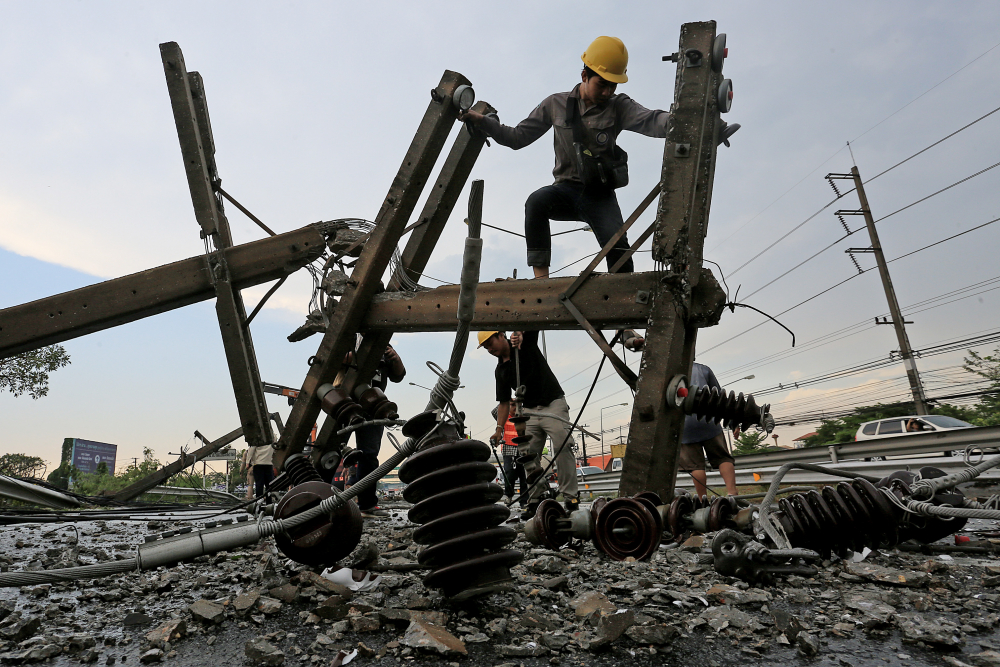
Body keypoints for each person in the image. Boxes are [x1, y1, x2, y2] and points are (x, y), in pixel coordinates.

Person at [458, 36, 668, 283]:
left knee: (618, 248)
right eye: (602, 84)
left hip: (600, 195)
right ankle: (541, 283)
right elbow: (517, 137)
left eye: (613, 85)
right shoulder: (555, 104)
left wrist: (690, 123)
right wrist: (483, 122)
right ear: (584, 76)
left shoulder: (618, 106)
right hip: (565, 191)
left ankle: (626, 320)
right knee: (536, 202)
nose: (608, 91)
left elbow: (653, 120)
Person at [480, 330, 578, 519]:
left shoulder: (525, 345)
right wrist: (498, 430)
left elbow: (533, 325)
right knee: (528, 454)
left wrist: (523, 335)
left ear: (501, 335)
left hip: (552, 403)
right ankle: (535, 499)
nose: (489, 349)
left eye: (490, 343)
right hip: (530, 411)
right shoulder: (500, 371)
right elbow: (503, 402)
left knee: (563, 445)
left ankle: (571, 497)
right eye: (485, 347)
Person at [348, 338, 406, 518]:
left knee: (369, 455)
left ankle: (366, 505)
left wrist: (395, 358)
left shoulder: (383, 345)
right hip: (345, 401)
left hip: (374, 405)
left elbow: (399, 375)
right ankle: (322, 502)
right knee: (332, 452)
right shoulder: (349, 339)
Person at [678, 362, 738, 497]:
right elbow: (720, 397)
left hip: (684, 425)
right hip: (709, 420)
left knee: (696, 466)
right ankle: (732, 493)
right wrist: (733, 422)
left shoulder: (668, 370)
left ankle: (702, 499)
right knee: (723, 458)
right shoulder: (702, 369)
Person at [494, 409, 528, 506]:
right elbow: (496, 411)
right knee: (509, 474)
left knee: (523, 475)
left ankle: (524, 500)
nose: (514, 408)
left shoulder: (523, 415)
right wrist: (507, 402)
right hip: (508, 449)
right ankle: (509, 496)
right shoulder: (504, 416)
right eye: (512, 405)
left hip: (522, 448)